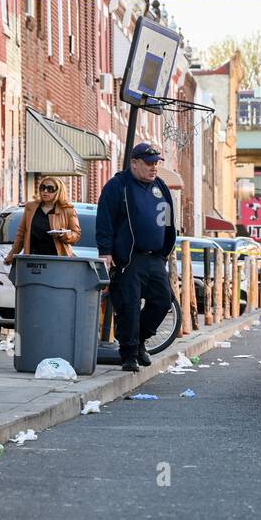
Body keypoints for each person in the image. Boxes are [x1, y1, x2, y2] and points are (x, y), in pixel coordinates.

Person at [94, 143, 177, 372]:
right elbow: (105, 220)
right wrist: (105, 251)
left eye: (156, 163)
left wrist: (165, 251)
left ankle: (139, 340)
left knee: (162, 301)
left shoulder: (160, 187)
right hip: (129, 257)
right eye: (149, 163)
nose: (154, 168)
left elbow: (168, 221)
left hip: (155, 257)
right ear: (134, 163)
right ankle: (129, 354)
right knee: (129, 306)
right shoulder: (118, 186)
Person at [4, 175, 82, 264]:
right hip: (33, 258)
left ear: (59, 191)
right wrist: (11, 255)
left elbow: (76, 234)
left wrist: (63, 234)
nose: (45, 191)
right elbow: (21, 234)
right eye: (43, 188)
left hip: (57, 259)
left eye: (50, 189)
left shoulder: (68, 210)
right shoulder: (31, 207)